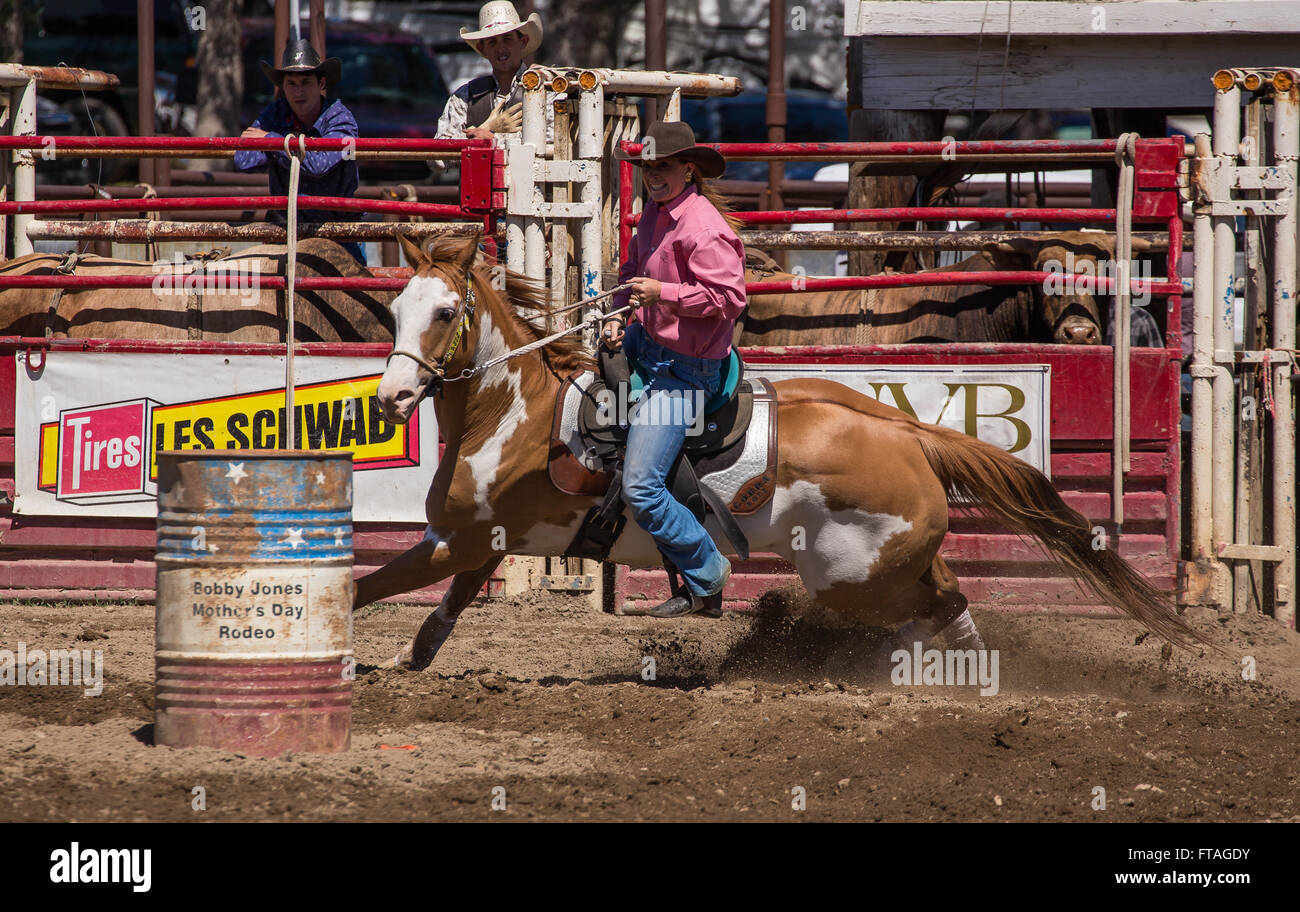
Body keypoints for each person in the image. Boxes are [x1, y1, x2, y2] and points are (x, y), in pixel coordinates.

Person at [607, 120, 746, 619]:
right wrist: (622, 316)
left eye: (662, 166)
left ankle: (707, 569)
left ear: (688, 169)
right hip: (650, 348)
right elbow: (632, 274)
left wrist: (662, 294)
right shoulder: (657, 213)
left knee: (641, 486)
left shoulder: (703, 228)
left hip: (687, 371)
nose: (653, 176)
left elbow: (730, 299)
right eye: (647, 168)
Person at [235, 38, 366, 264]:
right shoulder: (276, 112)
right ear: (283, 87)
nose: (299, 91)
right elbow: (243, 158)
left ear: (321, 84)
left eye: (306, 82)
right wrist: (284, 146)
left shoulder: (339, 117)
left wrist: (271, 141)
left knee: (350, 293)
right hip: (287, 229)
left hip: (337, 231)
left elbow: (319, 164)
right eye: (291, 84)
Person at [435, 1, 546, 142]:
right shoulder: (464, 97)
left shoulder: (545, 91)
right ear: (482, 48)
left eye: (507, 39)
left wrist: (493, 139)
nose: (500, 49)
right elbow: (437, 158)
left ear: (523, 41)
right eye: (492, 42)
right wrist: (487, 128)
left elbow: (553, 144)